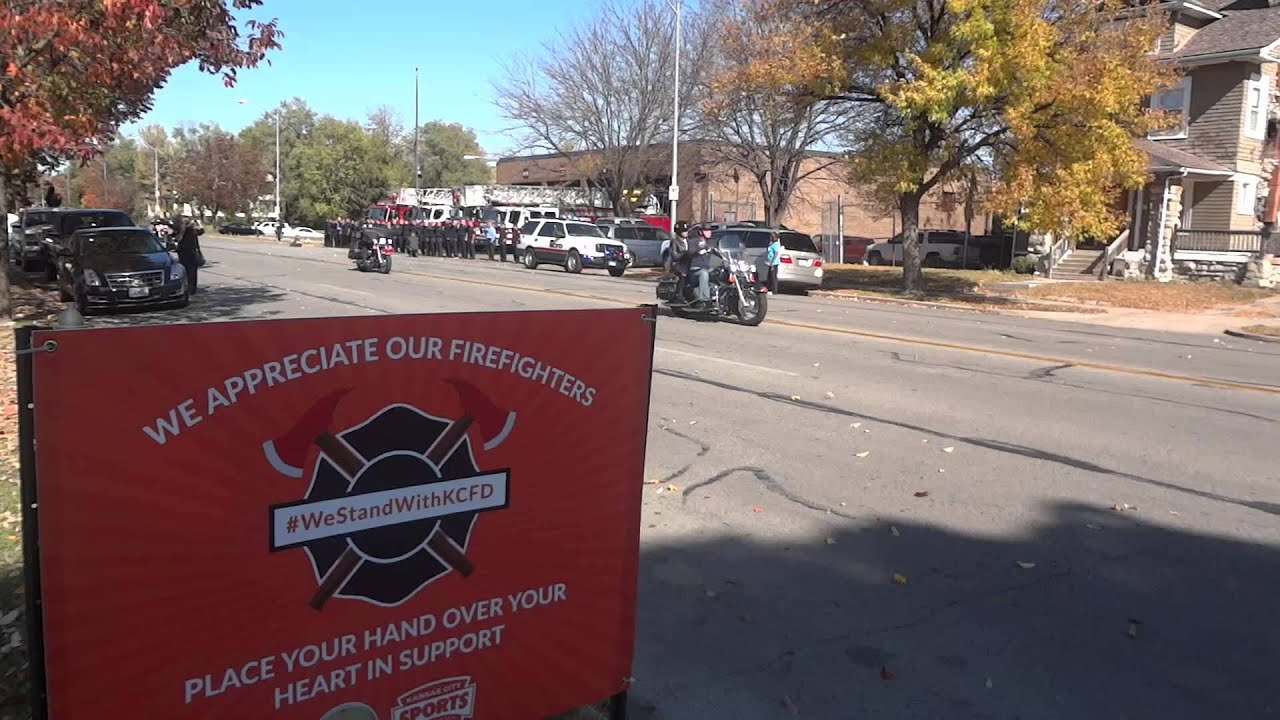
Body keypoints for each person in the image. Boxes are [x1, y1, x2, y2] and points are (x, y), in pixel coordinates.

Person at [687, 226, 723, 304]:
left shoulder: (709, 243)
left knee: (719, 272)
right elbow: (690, 252)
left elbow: (717, 251)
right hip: (695, 270)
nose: (709, 232)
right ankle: (704, 299)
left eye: (709, 230)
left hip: (706, 268)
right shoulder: (694, 241)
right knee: (704, 274)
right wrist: (699, 251)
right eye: (706, 230)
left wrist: (724, 257)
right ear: (701, 232)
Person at [176, 219, 202, 295]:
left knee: (188, 272)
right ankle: (190, 289)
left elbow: (178, 239)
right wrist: (199, 223)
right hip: (188, 254)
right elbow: (201, 230)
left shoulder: (185, 232)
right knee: (190, 273)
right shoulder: (190, 231)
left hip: (187, 254)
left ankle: (188, 289)